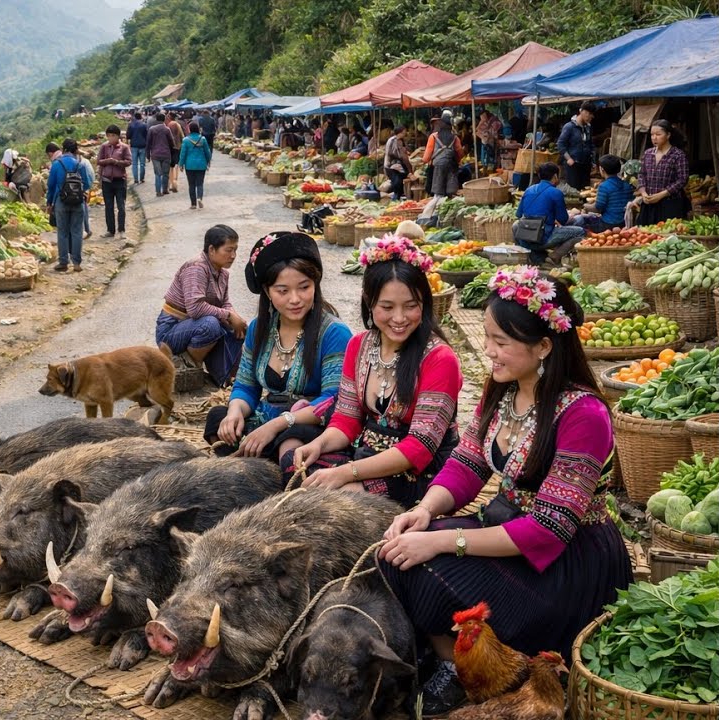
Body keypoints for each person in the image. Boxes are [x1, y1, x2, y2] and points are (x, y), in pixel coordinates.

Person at [377, 268, 630, 714]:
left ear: (544, 346)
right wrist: (424, 509)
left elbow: (548, 530)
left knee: (429, 570)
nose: (489, 351)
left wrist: (439, 538)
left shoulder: (583, 414)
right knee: (395, 554)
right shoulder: (503, 389)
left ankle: (479, 673)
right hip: (507, 525)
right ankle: (456, 663)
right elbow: (468, 463)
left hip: (565, 562)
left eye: (501, 342)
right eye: (488, 337)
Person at [293, 237, 462, 507]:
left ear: (425, 303)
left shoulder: (440, 359)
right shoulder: (358, 346)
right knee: (298, 470)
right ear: (369, 303)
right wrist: (320, 445)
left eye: (411, 306)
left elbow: (419, 448)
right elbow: (347, 420)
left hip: (420, 472)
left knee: (335, 503)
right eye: (387, 307)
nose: (399, 318)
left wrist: (346, 472)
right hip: (367, 455)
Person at [204, 232, 352, 470]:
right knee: (218, 420)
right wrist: (234, 412)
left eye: (304, 287)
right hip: (266, 414)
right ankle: (250, 475)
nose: (295, 299)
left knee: (291, 442)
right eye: (283, 291)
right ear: (267, 291)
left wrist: (276, 425)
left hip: (309, 422)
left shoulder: (334, 333)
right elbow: (246, 386)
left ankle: (282, 480)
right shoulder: (258, 329)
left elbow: (333, 399)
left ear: (315, 285)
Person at [156, 225, 247, 387]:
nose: (233, 256)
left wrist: (235, 318)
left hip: (192, 326)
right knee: (211, 324)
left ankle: (227, 377)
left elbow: (224, 302)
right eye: (228, 250)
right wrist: (228, 315)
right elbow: (195, 308)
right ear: (212, 249)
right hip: (171, 330)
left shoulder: (222, 273)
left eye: (235, 250)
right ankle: (187, 363)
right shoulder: (196, 268)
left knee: (239, 328)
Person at [514, 162, 585, 265]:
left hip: (525, 236)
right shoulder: (556, 192)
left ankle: (534, 256)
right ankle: (555, 255)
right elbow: (563, 220)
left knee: (515, 225)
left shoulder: (529, 189)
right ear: (555, 176)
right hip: (543, 237)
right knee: (580, 231)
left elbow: (518, 214)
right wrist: (570, 216)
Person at [46, 138, 94, 273]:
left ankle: (63, 262)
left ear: (64, 149)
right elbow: (87, 183)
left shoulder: (57, 164)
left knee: (62, 232)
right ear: (75, 150)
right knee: (77, 231)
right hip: (78, 201)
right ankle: (77, 263)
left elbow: (50, 186)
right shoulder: (80, 164)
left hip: (61, 201)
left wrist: (49, 203)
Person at [632, 119, 690, 226]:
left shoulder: (678, 155)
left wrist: (661, 195)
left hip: (669, 204)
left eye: (658, 134)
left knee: (666, 235)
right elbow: (641, 174)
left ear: (668, 135)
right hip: (648, 203)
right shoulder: (648, 153)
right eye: (652, 135)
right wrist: (644, 193)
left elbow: (682, 179)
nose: (654, 138)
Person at [419, 112, 464, 223]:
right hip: (452, 168)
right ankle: (448, 219)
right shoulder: (455, 138)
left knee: (438, 194)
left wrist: (424, 161)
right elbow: (460, 153)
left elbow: (426, 158)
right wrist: (455, 162)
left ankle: (431, 217)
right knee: (450, 194)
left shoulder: (433, 137)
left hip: (437, 168)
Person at [573, 155, 633, 232]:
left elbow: (598, 208)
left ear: (602, 169)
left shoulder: (604, 186)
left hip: (608, 224)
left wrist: (584, 205)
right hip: (623, 223)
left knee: (580, 220)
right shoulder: (627, 185)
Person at [97, 125, 132, 238]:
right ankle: (110, 230)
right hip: (107, 180)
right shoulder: (104, 147)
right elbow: (99, 161)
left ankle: (121, 230)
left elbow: (128, 161)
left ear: (118, 136)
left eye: (113, 136)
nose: (111, 138)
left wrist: (116, 162)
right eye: (109, 136)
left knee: (121, 206)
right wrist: (108, 161)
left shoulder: (124, 147)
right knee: (109, 206)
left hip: (120, 180)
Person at [556, 102, 596, 189]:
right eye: (589, 114)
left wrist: (593, 161)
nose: (591, 117)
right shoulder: (569, 127)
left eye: (592, 114)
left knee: (585, 190)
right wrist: (568, 158)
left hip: (586, 164)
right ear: (582, 111)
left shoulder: (588, 128)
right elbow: (560, 144)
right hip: (573, 165)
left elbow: (590, 144)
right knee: (573, 190)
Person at [179, 121, 212, 210]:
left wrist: (181, 164)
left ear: (189, 129)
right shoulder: (203, 139)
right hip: (201, 165)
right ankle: (199, 198)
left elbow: (183, 153)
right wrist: (209, 161)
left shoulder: (186, 140)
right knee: (200, 183)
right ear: (198, 129)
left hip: (189, 165)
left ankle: (193, 204)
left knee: (191, 184)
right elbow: (207, 151)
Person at [146, 113, 174, 197]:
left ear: (156, 119)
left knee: (158, 174)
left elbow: (148, 143)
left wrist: (148, 155)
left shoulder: (151, 129)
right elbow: (171, 142)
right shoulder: (167, 129)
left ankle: (158, 191)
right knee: (165, 173)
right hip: (166, 154)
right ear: (164, 119)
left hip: (155, 155)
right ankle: (165, 190)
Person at [384, 122, 413, 201]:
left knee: (398, 184)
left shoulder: (398, 140)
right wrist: (409, 169)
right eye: (404, 132)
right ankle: (395, 200)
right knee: (397, 185)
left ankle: (396, 199)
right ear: (400, 132)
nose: (405, 133)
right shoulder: (394, 141)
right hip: (393, 166)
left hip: (395, 166)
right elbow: (398, 155)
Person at [127, 112, 149, 184]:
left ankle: (136, 179)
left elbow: (128, 136)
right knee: (142, 163)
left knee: (134, 164)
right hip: (142, 146)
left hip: (134, 146)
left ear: (135, 117)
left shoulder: (130, 125)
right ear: (141, 117)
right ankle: (142, 179)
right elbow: (147, 135)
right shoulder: (144, 125)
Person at [166, 112, 185, 194]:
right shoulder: (178, 125)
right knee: (176, 165)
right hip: (177, 147)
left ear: (169, 117)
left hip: (170, 148)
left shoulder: (169, 125)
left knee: (171, 166)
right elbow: (182, 137)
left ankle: (172, 184)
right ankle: (175, 182)